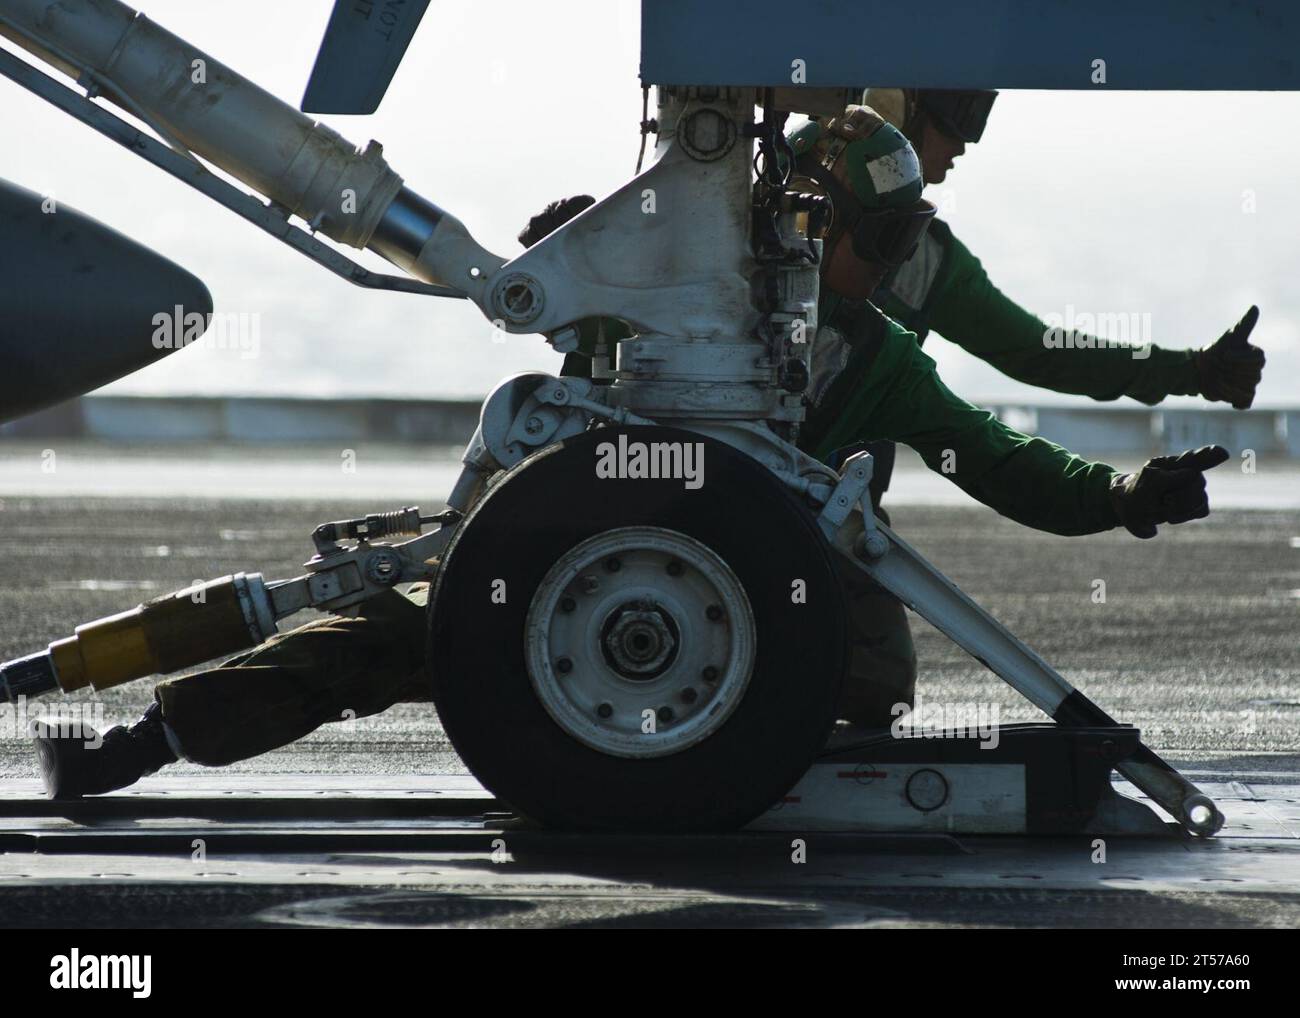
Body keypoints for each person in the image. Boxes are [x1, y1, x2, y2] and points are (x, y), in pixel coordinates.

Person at [31, 108, 1231, 798]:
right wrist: (572, 246)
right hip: (600, 579)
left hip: (800, 636)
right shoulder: (657, 292)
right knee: (390, 629)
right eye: (885, 231)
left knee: (849, 660)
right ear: (804, 217)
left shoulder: (876, 362)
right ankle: (143, 743)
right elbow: (552, 276)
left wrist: (1128, 495)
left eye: (904, 229)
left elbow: (1000, 462)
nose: (900, 254)